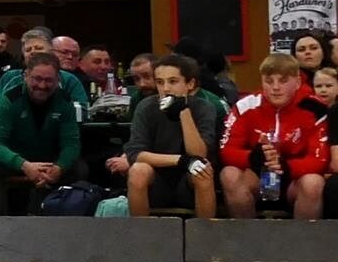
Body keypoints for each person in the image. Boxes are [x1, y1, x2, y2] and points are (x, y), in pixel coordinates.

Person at [219, 55, 327, 221]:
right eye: (269, 81)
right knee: (229, 174)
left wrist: (287, 166)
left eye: (283, 81)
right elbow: (226, 150)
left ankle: (303, 237)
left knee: (313, 182)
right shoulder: (245, 106)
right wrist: (253, 158)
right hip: (256, 176)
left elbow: (320, 158)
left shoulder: (315, 109)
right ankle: (246, 235)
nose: (275, 87)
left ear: (297, 82)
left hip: (294, 180)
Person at [0, 53, 83, 214]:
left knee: (79, 168)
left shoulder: (65, 101)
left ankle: (69, 220)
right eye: (37, 79)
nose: (42, 85)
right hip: (13, 159)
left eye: (49, 80)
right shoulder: (8, 99)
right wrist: (24, 165)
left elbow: (71, 143)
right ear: (26, 76)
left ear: (57, 80)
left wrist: (60, 167)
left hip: (49, 161)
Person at [123, 53, 222, 219]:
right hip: (157, 180)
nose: (166, 89)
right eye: (160, 82)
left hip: (188, 182)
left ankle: (204, 232)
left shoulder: (204, 107)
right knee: (138, 170)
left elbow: (199, 154)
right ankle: (141, 232)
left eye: (173, 81)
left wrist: (184, 112)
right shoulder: (145, 107)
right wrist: (181, 160)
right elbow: (135, 154)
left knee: (202, 170)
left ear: (190, 84)